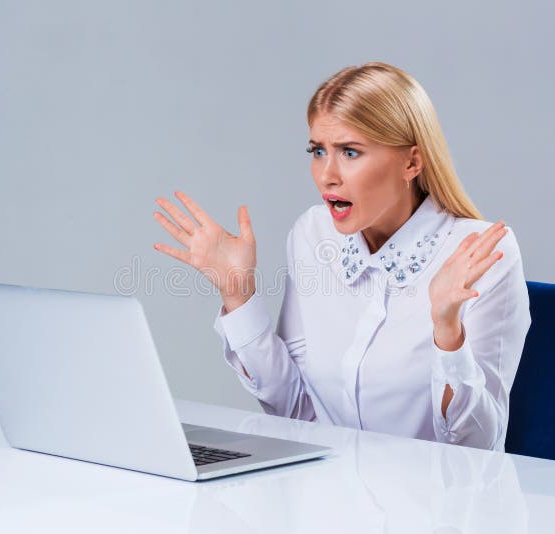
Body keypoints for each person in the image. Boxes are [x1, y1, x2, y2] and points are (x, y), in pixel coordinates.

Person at [152, 61, 531, 452]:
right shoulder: (312, 235)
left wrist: (447, 330)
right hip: (329, 493)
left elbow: (478, 446)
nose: (326, 176)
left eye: (350, 152)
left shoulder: (482, 253)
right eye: (318, 151)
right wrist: (238, 294)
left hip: (434, 502)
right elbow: (296, 412)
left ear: (412, 162)